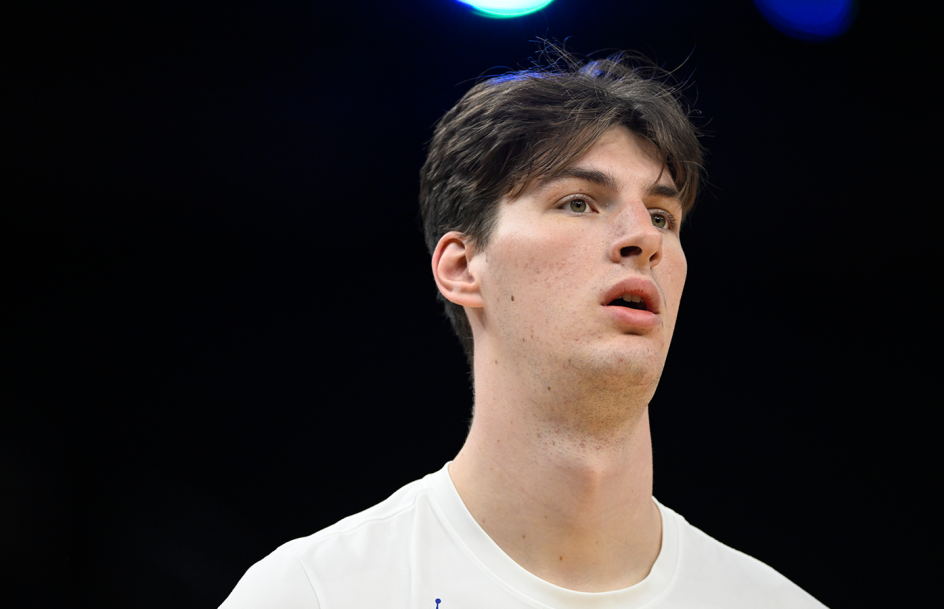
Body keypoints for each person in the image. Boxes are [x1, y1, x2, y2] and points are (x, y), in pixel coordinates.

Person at [221, 45, 827, 608]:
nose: (644, 237)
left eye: (664, 216)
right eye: (579, 202)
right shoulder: (314, 593)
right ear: (462, 267)